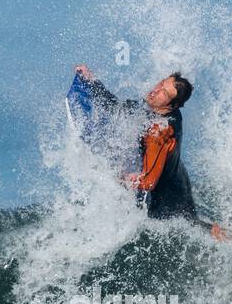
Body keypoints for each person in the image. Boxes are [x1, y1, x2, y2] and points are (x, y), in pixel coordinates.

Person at [73, 65, 198, 222]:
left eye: (164, 93)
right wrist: (91, 80)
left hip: (167, 200)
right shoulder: (159, 109)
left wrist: (109, 178)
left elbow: (147, 183)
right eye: (161, 83)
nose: (156, 90)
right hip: (177, 178)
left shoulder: (158, 132)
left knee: (187, 225)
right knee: (194, 223)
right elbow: (117, 107)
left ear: (171, 105)